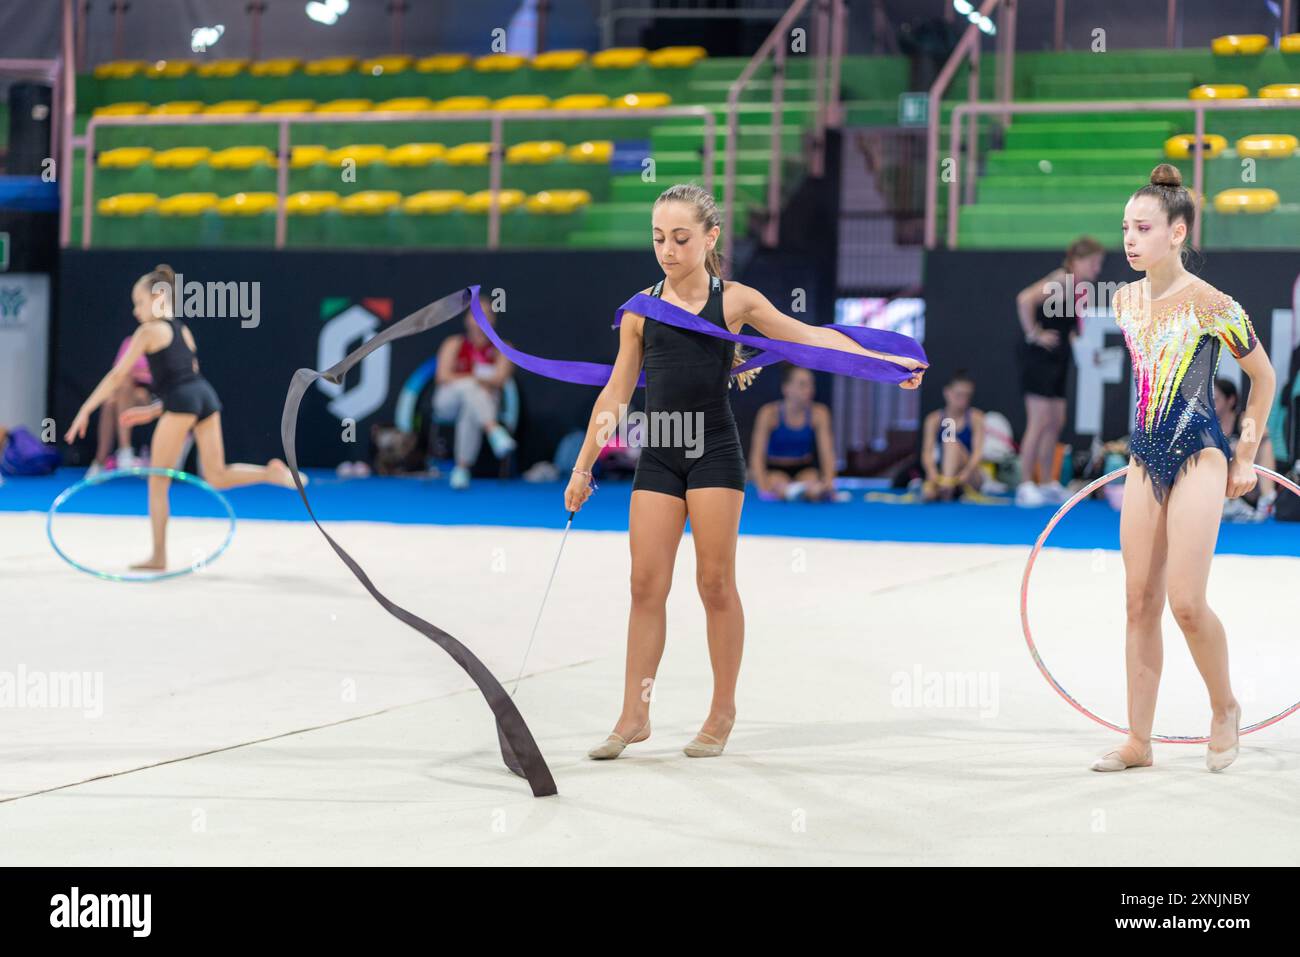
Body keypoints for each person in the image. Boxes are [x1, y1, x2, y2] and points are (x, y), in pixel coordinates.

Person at [562, 183, 925, 761]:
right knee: (643, 585)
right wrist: (584, 467)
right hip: (659, 450)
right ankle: (635, 714)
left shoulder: (736, 301)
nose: (668, 250)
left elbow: (811, 339)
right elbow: (616, 394)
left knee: (714, 582)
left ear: (710, 238)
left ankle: (722, 710)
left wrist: (884, 362)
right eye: (658, 238)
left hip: (713, 451)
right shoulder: (639, 311)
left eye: (681, 238)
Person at [1093, 164, 1275, 774]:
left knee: (1186, 602)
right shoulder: (1123, 299)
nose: (1129, 238)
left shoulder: (1211, 303)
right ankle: (1138, 742)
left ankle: (1224, 708)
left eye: (1142, 227)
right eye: (1125, 227)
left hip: (1201, 453)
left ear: (1178, 232)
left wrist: (1246, 453)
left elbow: (1264, 379)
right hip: (1145, 458)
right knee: (1137, 600)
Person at [64, 264, 300, 571]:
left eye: (139, 303)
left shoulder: (148, 331)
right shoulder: (182, 330)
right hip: (205, 397)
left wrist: (85, 409)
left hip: (183, 401)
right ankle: (269, 474)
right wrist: (151, 411)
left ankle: (159, 555)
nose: (136, 312)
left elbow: (117, 376)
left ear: (157, 299)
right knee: (216, 475)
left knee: (157, 481)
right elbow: (187, 378)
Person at [1014, 236, 1105, 506]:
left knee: (1055, 421)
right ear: (1076, 260)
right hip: (1039, 359)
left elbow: (1071, 329)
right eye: (1093, 262)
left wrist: (1086, 351)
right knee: (1039, 421)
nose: (1097, 269)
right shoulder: (1062, 279)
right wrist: (1034, 334)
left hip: (1059, 359)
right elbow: (1024, 299)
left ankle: (1047, 482)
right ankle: (1025, 484)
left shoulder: (1081, 288)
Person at [432, 291, 517, 490]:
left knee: (470, 409)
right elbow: (443, 376)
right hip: (447, 402)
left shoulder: (502, 347)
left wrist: (474, 380)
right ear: (467, 319)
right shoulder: (454, 343)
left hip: (483, 403)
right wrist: (475, 380)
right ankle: (493, 430)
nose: (481, 320)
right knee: (470, 388)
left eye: (487, 315)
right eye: (476, 315)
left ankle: (461, 468)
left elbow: (500, 379)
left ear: (493, 320)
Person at [749, 366, 839, 502]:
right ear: (786, 388)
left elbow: (827, 454)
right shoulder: (769, 413)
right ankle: (790, 491)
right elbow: (757, 455)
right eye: (802, 385)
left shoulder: (819, 413)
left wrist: (829, 483)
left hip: (804, 468)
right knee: (778, 484)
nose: (809, 390)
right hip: (775, 469)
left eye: (811, 384)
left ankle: (798, 491)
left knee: (813, 484)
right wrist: (763, 487)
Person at [88, 335, 154, 476]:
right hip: (125, 391)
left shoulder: (159, 341)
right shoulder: (128, 342)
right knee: (110, 401)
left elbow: (160, 374)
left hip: (150, 395)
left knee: (129, 390)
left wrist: (138, 374)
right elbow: (117, 373)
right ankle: (102, 459)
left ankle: (122, 451)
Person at [919, 370, 989, 502]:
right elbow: (927, 453)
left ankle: (947, 490)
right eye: (959, 395)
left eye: (966, 395)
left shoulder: (976, 417)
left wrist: (966, 473)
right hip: (943, 472)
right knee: (928, 494)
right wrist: (932, 472)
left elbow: (978, 453)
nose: (963, 399)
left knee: (951, 442)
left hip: (970, 475)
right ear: (947, 393)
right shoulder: (933, 419)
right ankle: (946, 486)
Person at [1214, 377, 1277, 520]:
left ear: (1230, 400)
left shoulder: (1243, 420)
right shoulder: (1207, 424)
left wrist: (1241, 448)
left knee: (1265, 444)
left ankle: (1267, 500)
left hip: (1245, 482)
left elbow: (1264, 433)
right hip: (1219, 482)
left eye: (1216, 399)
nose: (1211, 404)